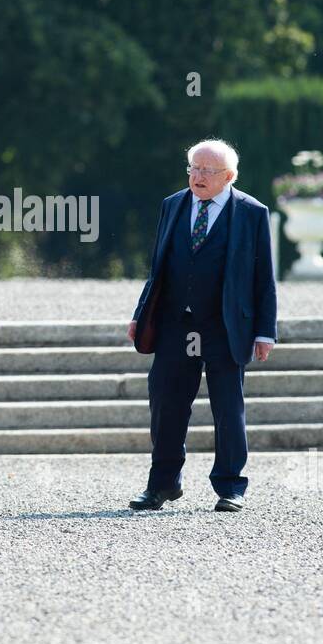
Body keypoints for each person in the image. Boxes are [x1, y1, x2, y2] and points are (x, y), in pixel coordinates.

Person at [127, 139, 278, 512]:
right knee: (166, 404)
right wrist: (141, 314)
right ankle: (162, 485)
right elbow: (157, 268)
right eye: (193, 168)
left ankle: (231, 486)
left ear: (228, 176)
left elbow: (264, 277)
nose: (197, 176)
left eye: (206, 171)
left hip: (226, 327)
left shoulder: (252, 213)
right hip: (176, 324)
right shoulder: (173, 205)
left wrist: (265, 330)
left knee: (228, 407)